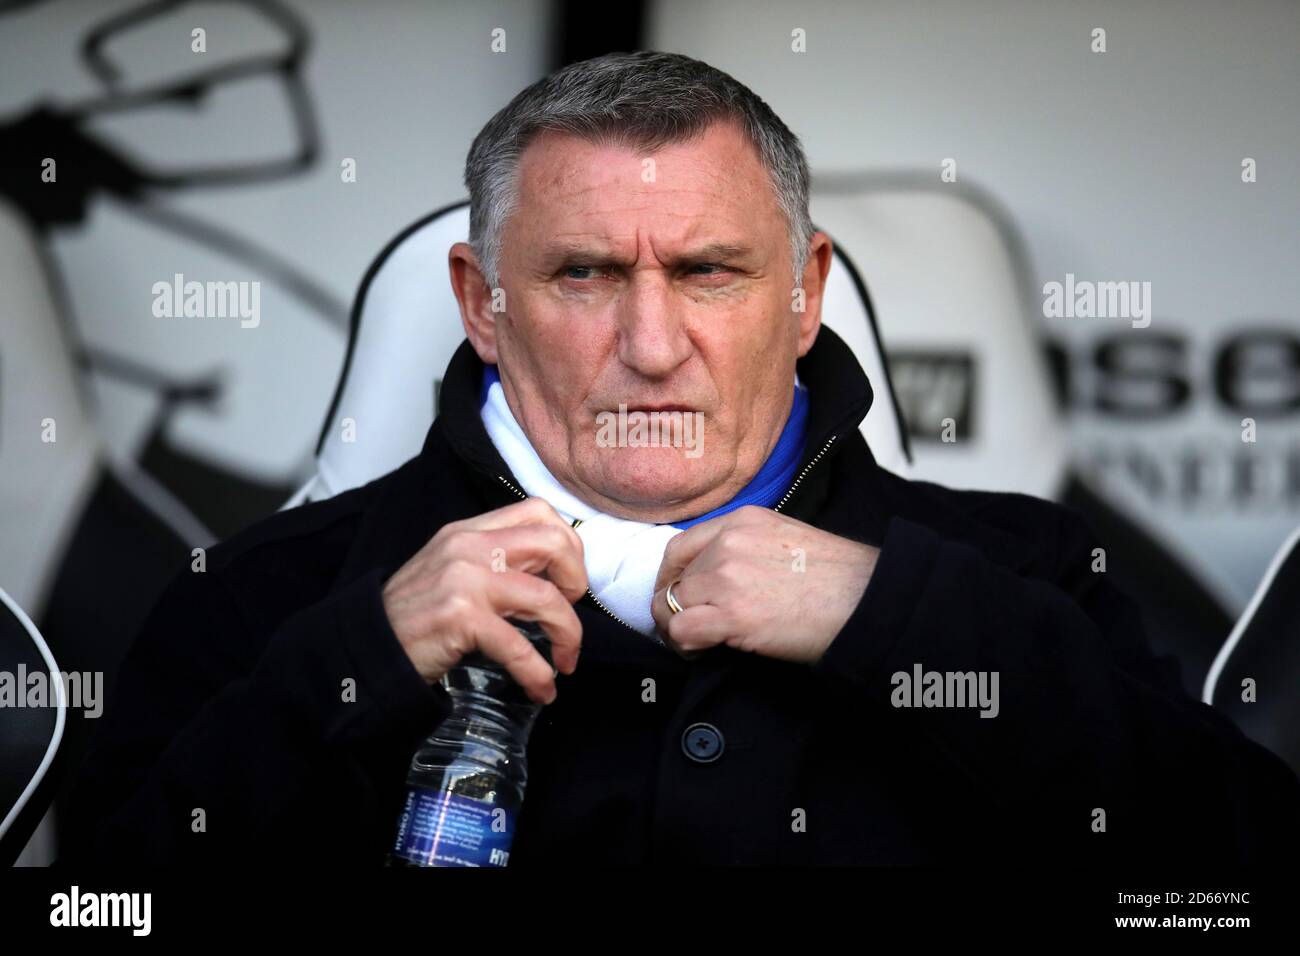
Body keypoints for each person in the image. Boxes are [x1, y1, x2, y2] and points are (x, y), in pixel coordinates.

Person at [63, 51, 1299, 866]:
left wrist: (898, 617)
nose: (650, 346)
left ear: (805, 294)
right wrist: (346, 670)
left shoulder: (1018, 575)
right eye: (583, 273)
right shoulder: (272, 596)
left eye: (709, 271)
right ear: (482, 304)